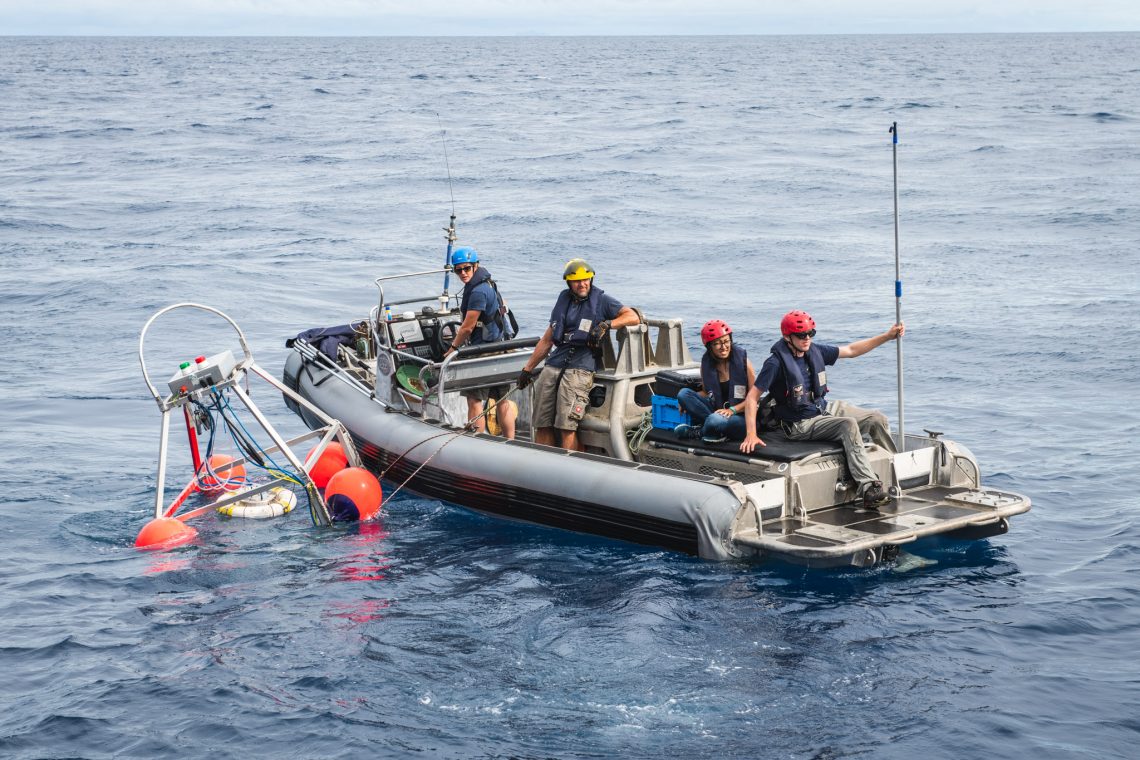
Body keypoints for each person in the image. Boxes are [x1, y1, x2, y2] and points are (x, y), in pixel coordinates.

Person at [739, 310, 904, 509]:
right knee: (848, 425)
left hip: (823, 409)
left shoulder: (814, 351)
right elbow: (752, 397)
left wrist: (887, 337)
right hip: (800, 424)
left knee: (877, 418)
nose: (807, 338)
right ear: (787, 337)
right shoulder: (775, 363)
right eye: (801, 335)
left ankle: (896, 474)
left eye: (810, 333)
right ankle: (868, 488)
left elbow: (851, 350)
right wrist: (751, 434)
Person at [516, 258, 639, 451]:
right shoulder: (563, 301)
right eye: (577, 281)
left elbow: (632, 316)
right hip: (554, 364)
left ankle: (569, 471)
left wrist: (608, 324)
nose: (582, 284)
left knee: (567, 426)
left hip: (580, 368)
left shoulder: (603, 301)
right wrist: (527, 369)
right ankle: (543, 466)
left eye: (586, 280)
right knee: (541, 423)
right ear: (569, 283)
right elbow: (547, 339)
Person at [441, 246, 518, 439]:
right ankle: (510, 440)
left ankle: (477, 440)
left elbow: (467, 327)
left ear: (476, 265)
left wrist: (453, 348)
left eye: (467, 268)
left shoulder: (477, 292)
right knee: (501, 400)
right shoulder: (488, 283)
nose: (463, 273)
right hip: (499, 347)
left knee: (474, 399)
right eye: (458, 270)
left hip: (483, 352)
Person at [674, 319, 756, 444]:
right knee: (683, 394)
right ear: (709, 346)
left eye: (726, 341)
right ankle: (714, 429)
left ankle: (700, 432)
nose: (723, 347)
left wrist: (732, 410)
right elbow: (707, 393)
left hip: (741, 417)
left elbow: (754, 399)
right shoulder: (706, 364)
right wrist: (686, 401)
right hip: (717, 412)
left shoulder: (744, 362)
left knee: (715, 420)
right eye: (717, 343)